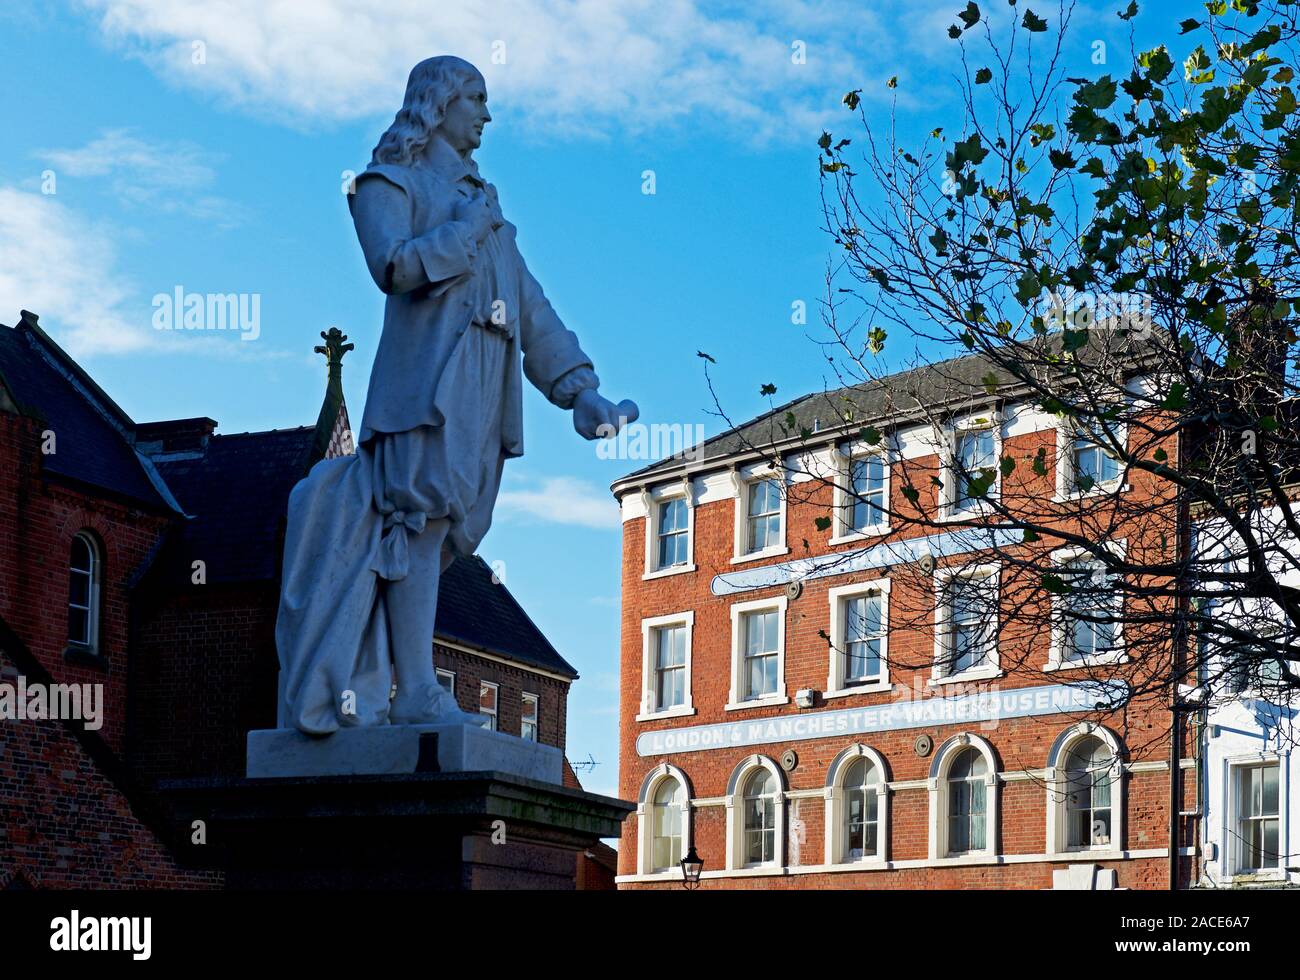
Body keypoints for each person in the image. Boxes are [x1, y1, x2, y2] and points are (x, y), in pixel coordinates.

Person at [275, 56, 637, 733]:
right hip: (424, 380)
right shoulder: (387, 184)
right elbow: (394, 267)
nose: (486, 114)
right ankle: (412, 689)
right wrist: (464, 231)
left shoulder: (488, 206)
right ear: (438, 103)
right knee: (419, 521)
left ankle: (388, 681)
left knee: (442, 535)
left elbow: (530, 307)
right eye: (476, 97)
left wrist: (580, 390)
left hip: (484, 381)